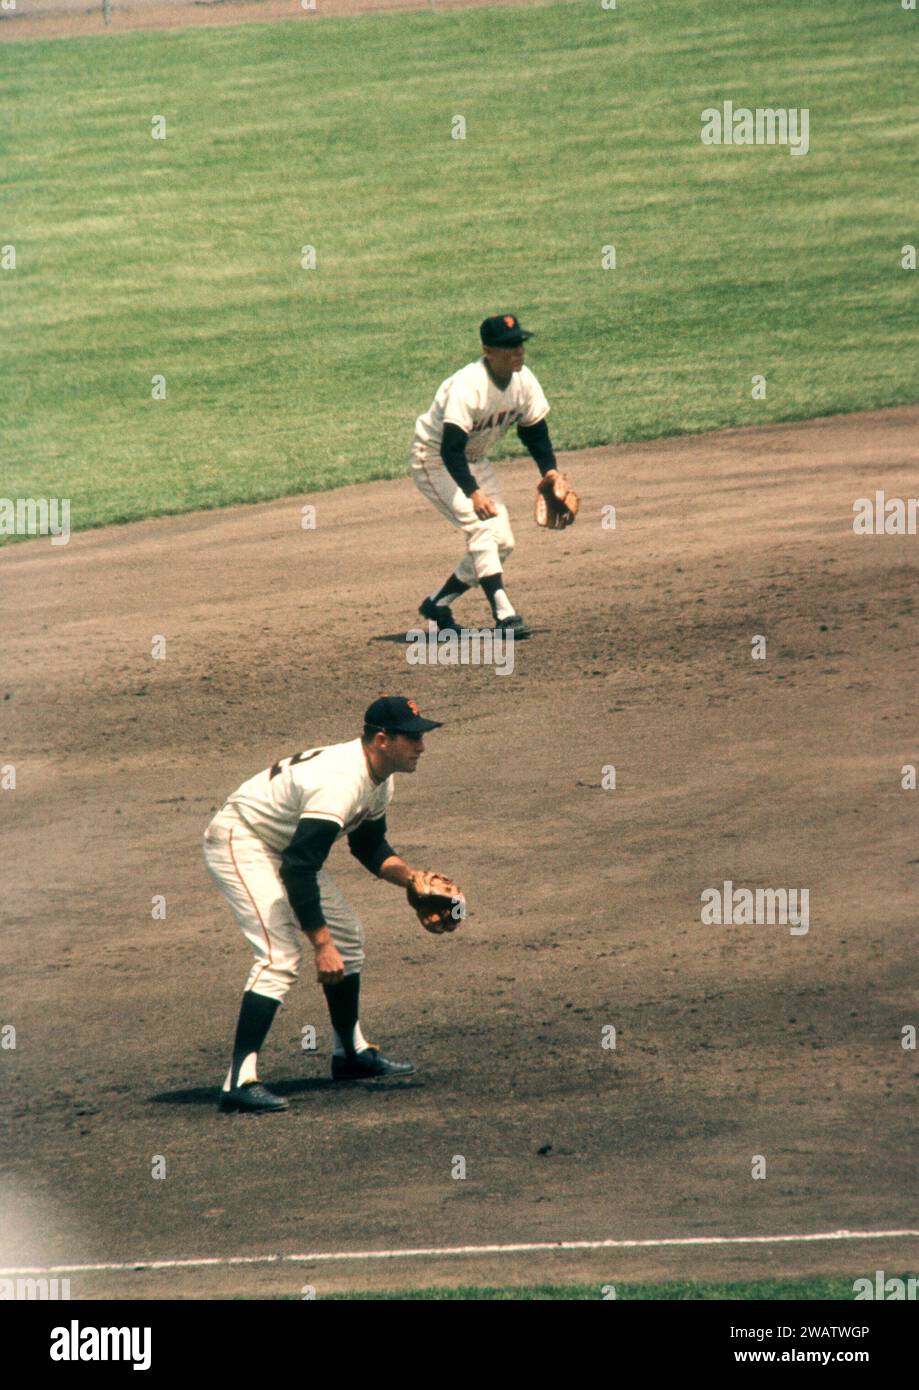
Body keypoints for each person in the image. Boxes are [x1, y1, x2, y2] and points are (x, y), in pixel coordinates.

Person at [203, 696, 458, 1112]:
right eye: (412, 737)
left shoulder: (380, 778)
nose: (421, 746)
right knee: (279, 955)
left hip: (287, 846)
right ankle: (238, 1080)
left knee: (349, 937)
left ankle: (350, 1053)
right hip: (243, 840)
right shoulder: (341, 781)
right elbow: (299, 869)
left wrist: (411, 880)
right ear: (382, 739)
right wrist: (321, 945)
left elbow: (369, 845)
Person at [409, 313, 563, 639]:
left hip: (474, 459)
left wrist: (550, 470)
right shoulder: (469, 386)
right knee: (481, 528)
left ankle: (437, 605)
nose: (518, 351)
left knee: (502, 542)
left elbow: (535, 432)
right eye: (509, 346)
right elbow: (451, 449)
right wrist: (473, 493)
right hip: (436, 459)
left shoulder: (524, 381)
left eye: (520, 343)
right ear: (488, 351)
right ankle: (504, 613)